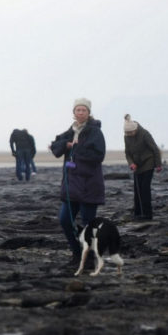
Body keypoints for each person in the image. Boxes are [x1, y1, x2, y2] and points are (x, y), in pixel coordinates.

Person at [50, 98, 106, 262]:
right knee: (64, 220)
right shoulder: (70, 131)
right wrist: (67, 145)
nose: (80, 113)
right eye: (78, 110)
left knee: (88, 224)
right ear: (74, 113)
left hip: (89, 185)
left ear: (89, 113)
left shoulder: (95, 132)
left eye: (84, 110)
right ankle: (76, 251)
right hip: (70, 186)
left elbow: (98, 155)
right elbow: (56, 147)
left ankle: (89, 257)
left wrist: (76, 147)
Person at [123, 114, 163, 220]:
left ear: (135, 129)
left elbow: (155, 149)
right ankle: (138, 213)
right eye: (128, 133)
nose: (130, 134)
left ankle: (147, 214)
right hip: (137, 165)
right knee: (137, 189)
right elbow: (127, 153)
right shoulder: (126, 136)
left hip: (148, 162)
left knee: (145, 188)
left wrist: (158, 164)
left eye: (131, 132)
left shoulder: (145, 134)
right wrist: (131, 163)